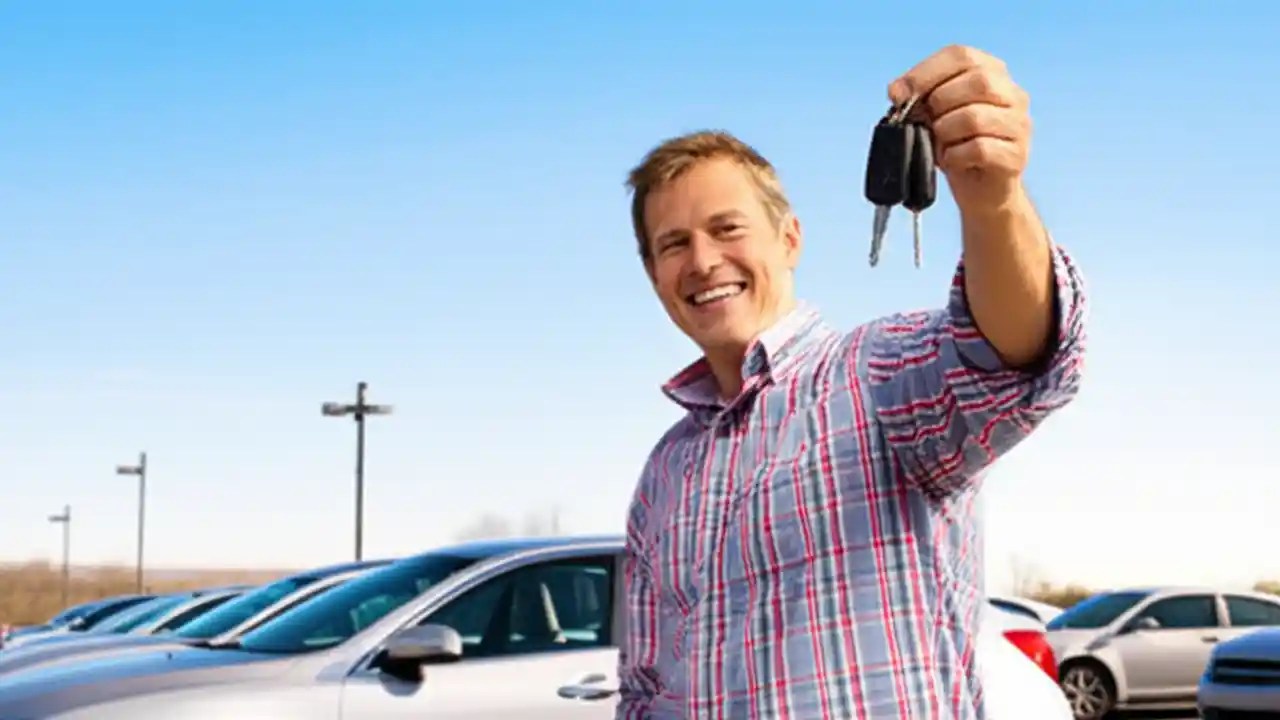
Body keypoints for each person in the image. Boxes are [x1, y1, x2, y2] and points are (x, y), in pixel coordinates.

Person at [615, 45, 1087, 719]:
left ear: (790, 239)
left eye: (727, 229)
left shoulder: (879, 378)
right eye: (673, 244)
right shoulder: (665, 470)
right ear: (653, 274)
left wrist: (994, 204)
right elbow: (645, 688)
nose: (703, 260)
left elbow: (1013, 358)